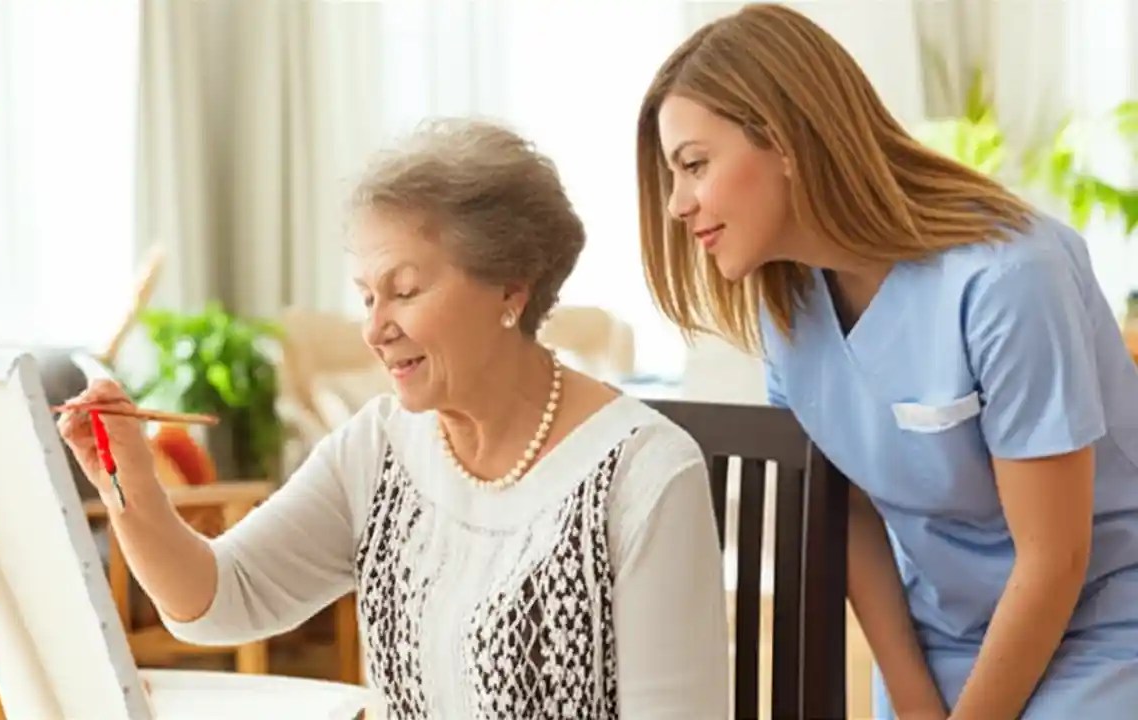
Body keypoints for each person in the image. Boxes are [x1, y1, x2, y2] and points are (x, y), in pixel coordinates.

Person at [60, 118, 729, 719]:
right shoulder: (379, 447)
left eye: (405, 291)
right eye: (366, 297)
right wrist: (130, 481)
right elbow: (218, 601)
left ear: (511, 289)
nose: (375, 328)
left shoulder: (643, 474)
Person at [634, 4, 1138, 719]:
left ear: (784, 140)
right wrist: (913, 697)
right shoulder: (788, 308)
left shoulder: (1010, 277)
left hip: (1103, 626)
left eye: (694, 165)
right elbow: (853, 514)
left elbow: (1054, 558)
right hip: (940, 639)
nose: (678, 205)